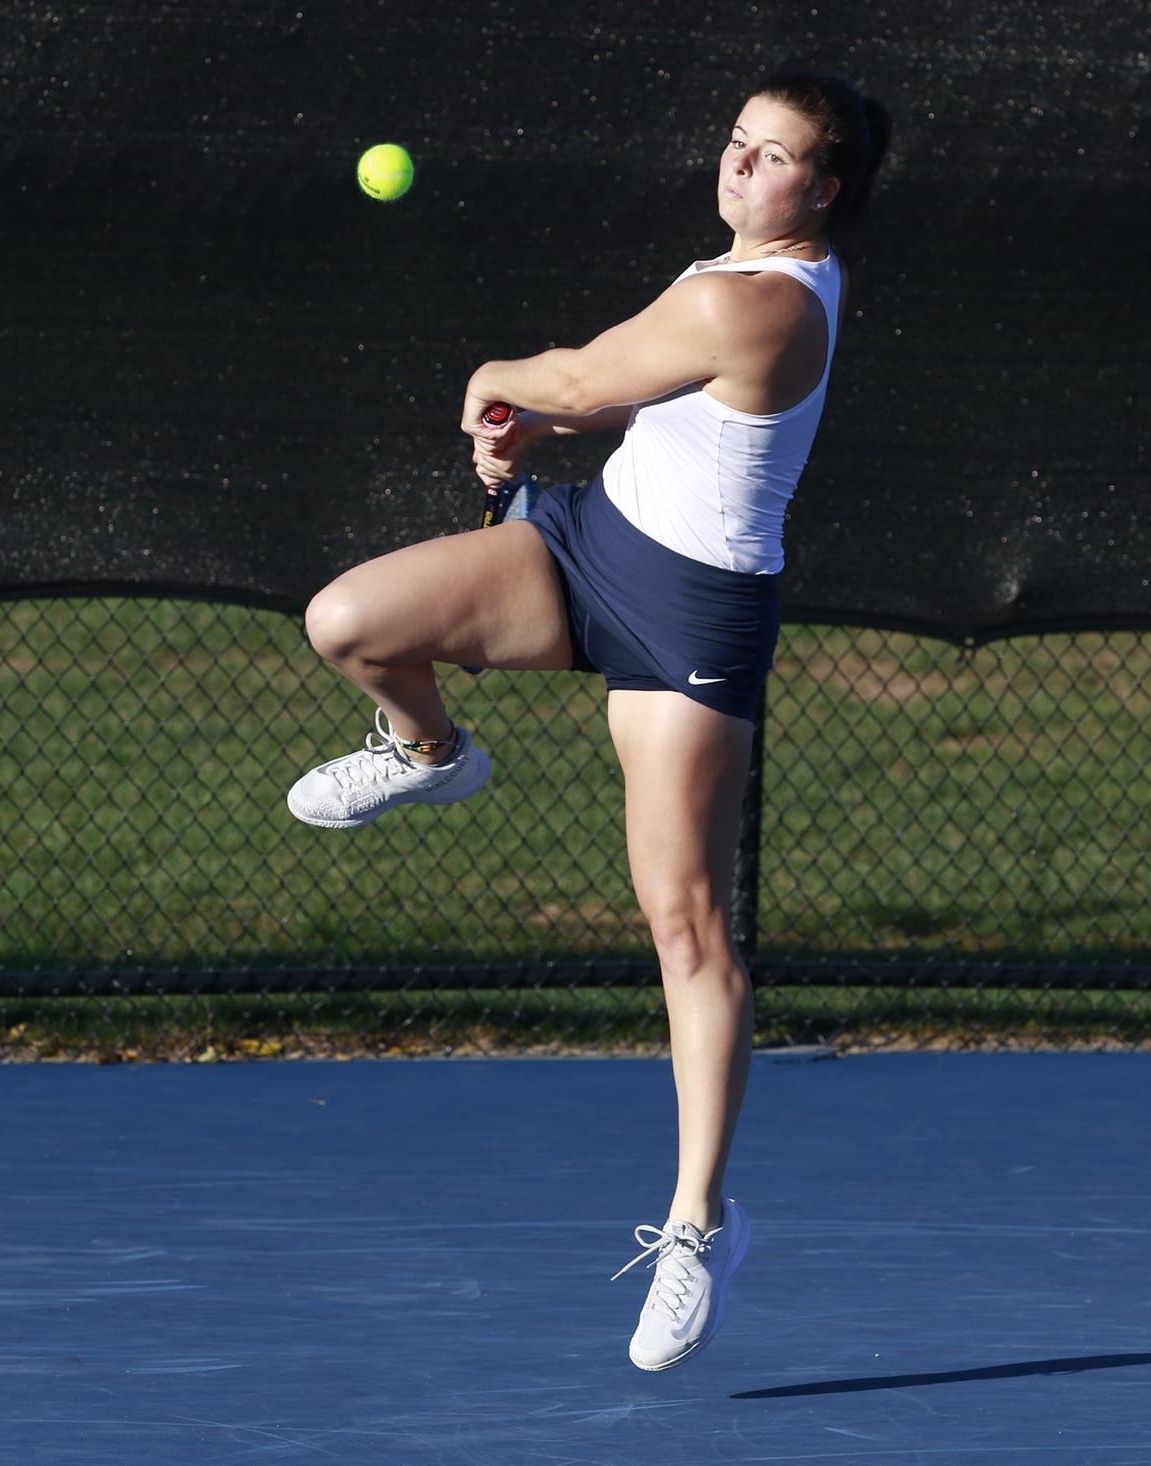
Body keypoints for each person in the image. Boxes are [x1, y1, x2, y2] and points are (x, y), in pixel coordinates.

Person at [289, 70, 892, 1371]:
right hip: (587, 543)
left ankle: (698, 1226)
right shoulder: (721, 275)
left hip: (693, 626)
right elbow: (615, 398)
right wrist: (534, 430)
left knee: (685, 926)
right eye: (735, 141)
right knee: (347, 621)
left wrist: (498, 380)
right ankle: (430, 752)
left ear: (824, 189)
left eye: (772, 155)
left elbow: (573, 374)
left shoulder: (769, 304)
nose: (738, 166)